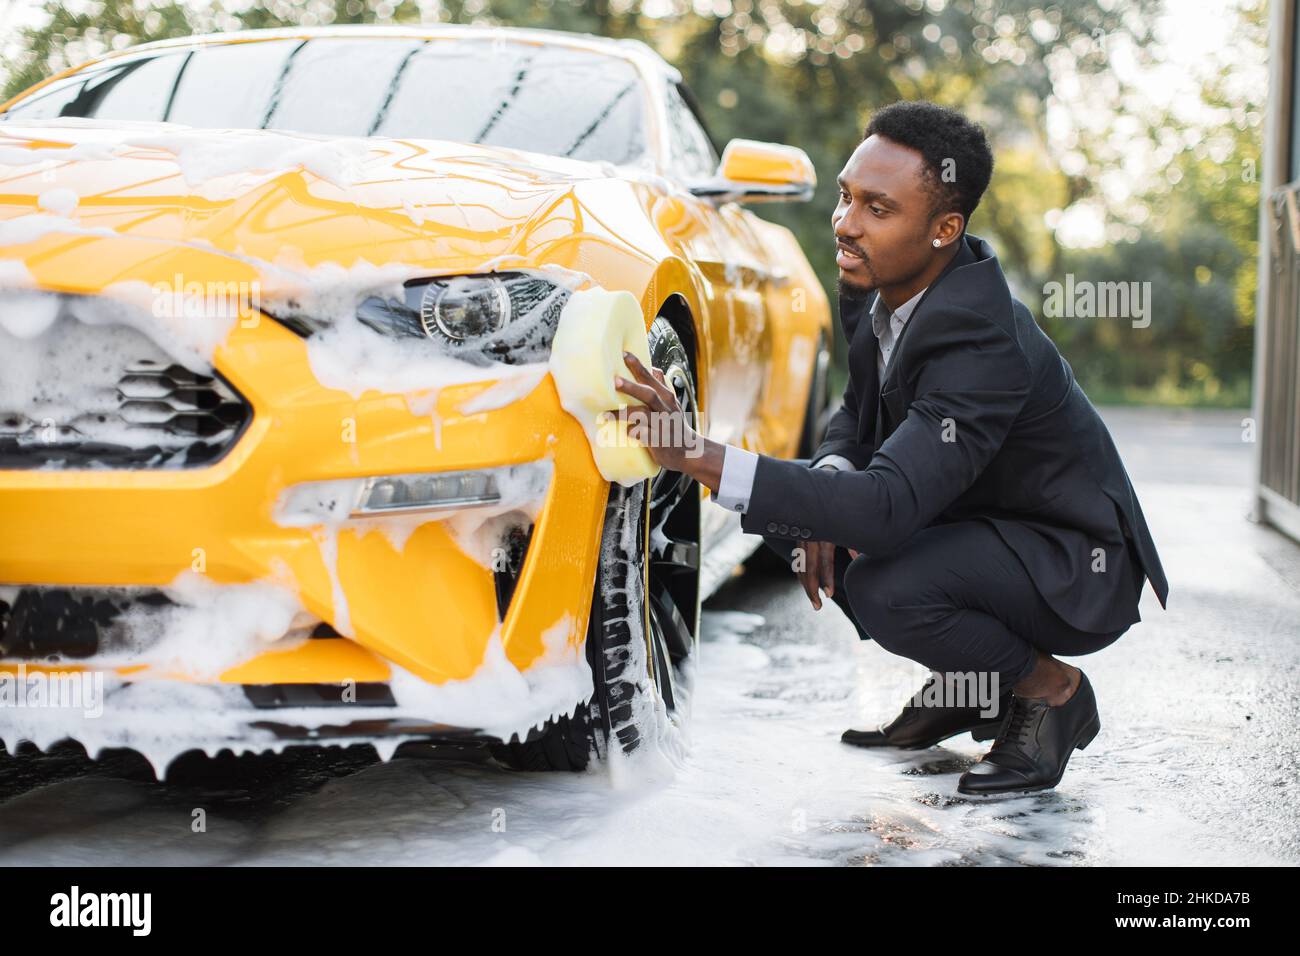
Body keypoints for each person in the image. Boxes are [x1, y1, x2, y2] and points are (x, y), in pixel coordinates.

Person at [613, 100, 1169, 796]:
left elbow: (885, 511)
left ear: (945, 229)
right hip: (985, 522)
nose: (846, 223)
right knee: (820, 520)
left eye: (878, 208)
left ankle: (1051, 690)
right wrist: (829, 477)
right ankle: (976, 687)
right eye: (847, 197)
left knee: (884, 583)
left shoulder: (979, 338)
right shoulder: (879, 279)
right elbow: (856, 409)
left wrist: (701, 457)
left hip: (1074, 561)